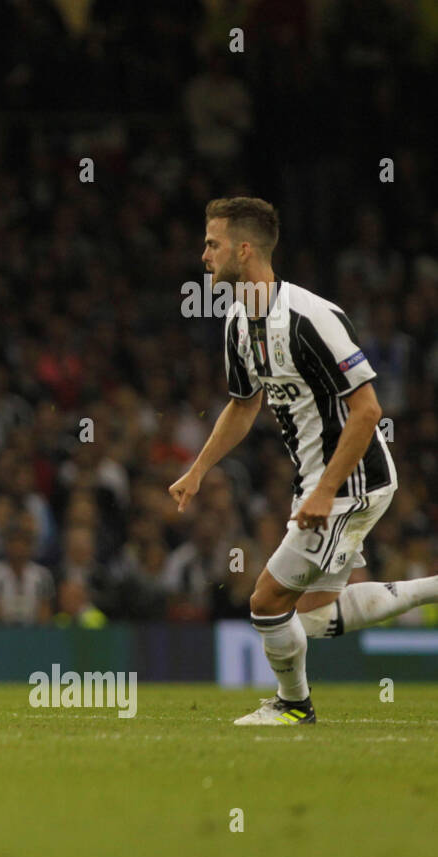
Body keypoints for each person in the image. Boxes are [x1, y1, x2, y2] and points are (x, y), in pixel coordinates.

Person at [171, 197, 437, 725]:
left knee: (266, 601)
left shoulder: (310, 317)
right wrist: (198, 470)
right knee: (309, 620)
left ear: (244, 250)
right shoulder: (237, 320)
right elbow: (243, 406)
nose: (203, 254)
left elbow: (368, 411)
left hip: (351, 480)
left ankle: (293, 706)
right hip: (319, 481)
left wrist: (324, 491)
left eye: (212, 243)